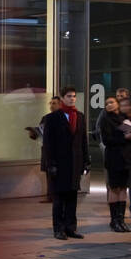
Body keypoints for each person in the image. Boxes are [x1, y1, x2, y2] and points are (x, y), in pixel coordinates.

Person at [42, 86, 89, 240]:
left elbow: (83, 141)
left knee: (72, 197)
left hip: (75, 163)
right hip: (59, 164)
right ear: (62, 98)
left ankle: (70, 227)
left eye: (74, 96)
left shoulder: (80, 116)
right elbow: (48, 144)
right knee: (59, 198)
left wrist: (86, 162)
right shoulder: (52, 118)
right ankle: (58, 228)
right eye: (69, 96)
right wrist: (51, 164)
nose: (72, 99)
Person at [97, 95, 131, 233]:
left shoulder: (123, 118)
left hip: (125, 157)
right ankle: (114, 220)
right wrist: (123, 137)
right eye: (107, 103)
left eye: (112, 102)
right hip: (113, 158)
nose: (109, 105)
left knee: (123, 188)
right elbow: (107, 140)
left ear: (117, 104)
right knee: (114, 188)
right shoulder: (105, 120)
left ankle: (121, 220)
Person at [27, 96, 63, 203]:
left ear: (60, 104)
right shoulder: (46, 118)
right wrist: (33, 133)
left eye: (54, 103)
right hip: (47, 150)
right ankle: (51, 196)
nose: (51, 105)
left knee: (59, 174)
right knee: (49, 174)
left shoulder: (64, 118)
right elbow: (39, 133)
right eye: (50, 103)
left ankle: (58, 196)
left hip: (59, 150)